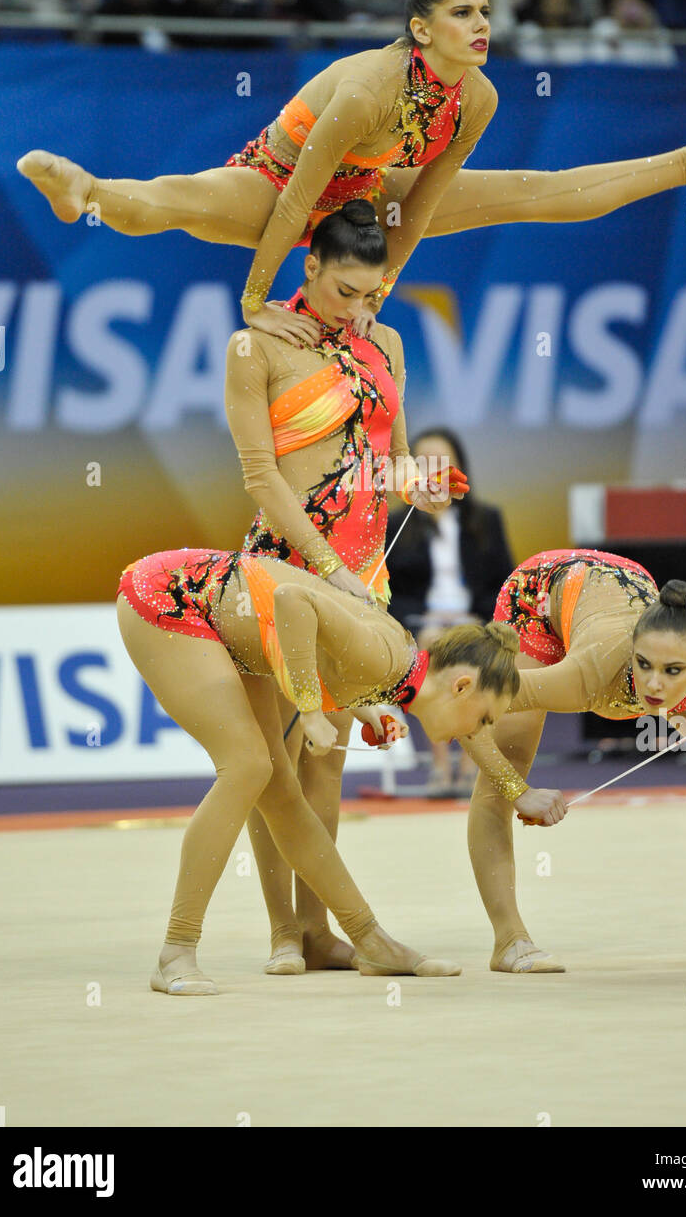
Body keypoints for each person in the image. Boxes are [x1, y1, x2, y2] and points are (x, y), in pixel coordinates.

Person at [16, 0, 686, 327]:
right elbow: (295, 199)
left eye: (485, 10)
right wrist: (256, 302)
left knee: (537, 190)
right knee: (176, 201)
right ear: (421, 29)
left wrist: (374, 293)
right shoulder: (365, 89)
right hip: (276, 178)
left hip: (366, 193)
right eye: (463, 13)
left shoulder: (476, 98)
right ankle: (87, 191)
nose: (482, 24)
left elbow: (416, 209)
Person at [116, 548, 564, 993]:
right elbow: (293, 600)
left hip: (231, 618)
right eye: (484, 718)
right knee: (247, 767)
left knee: (279, 788)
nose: (478, 733)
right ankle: (176, 950)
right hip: (171, 596)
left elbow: (331, 651)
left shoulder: (399, 663)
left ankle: (369, 938)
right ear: (461, 686)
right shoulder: (388, 656)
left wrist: (363, 709)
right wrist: (311, 710)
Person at [225, 200, 463, 972]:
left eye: (375, 296)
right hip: (286, 569)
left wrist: (418, 483)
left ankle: (320, 926)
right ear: (310, 268)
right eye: (346, 293)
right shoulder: (255, 346)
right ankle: (282, 934)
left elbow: (377, 460)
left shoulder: (386, 343)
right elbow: (263, 478)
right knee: (278, 754)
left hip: (364, 575)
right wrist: (326, 569)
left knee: (327, 762)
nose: (360, 312)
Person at [458, 548, 686, 973]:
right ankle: (509, 941)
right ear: (635, 651)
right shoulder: (586, 676)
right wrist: (519, 792)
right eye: (644, 665)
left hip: (621, 586)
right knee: (504, 769)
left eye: (673, 671)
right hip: (540, 596)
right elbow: (463, 702)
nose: (654, 685)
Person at [385, 425, 514, 795]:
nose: (432, 469)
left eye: (440, 461)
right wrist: (421, 619)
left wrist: (478, 619)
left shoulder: (486, 520)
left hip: (473, 620)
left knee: (475, 651)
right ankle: (441, 766)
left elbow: (504, 583)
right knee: (432, 648)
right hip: (423, 623)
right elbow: (392, 591)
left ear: (458, 466)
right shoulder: (398, 524)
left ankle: (471, 765)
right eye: (423, 462)